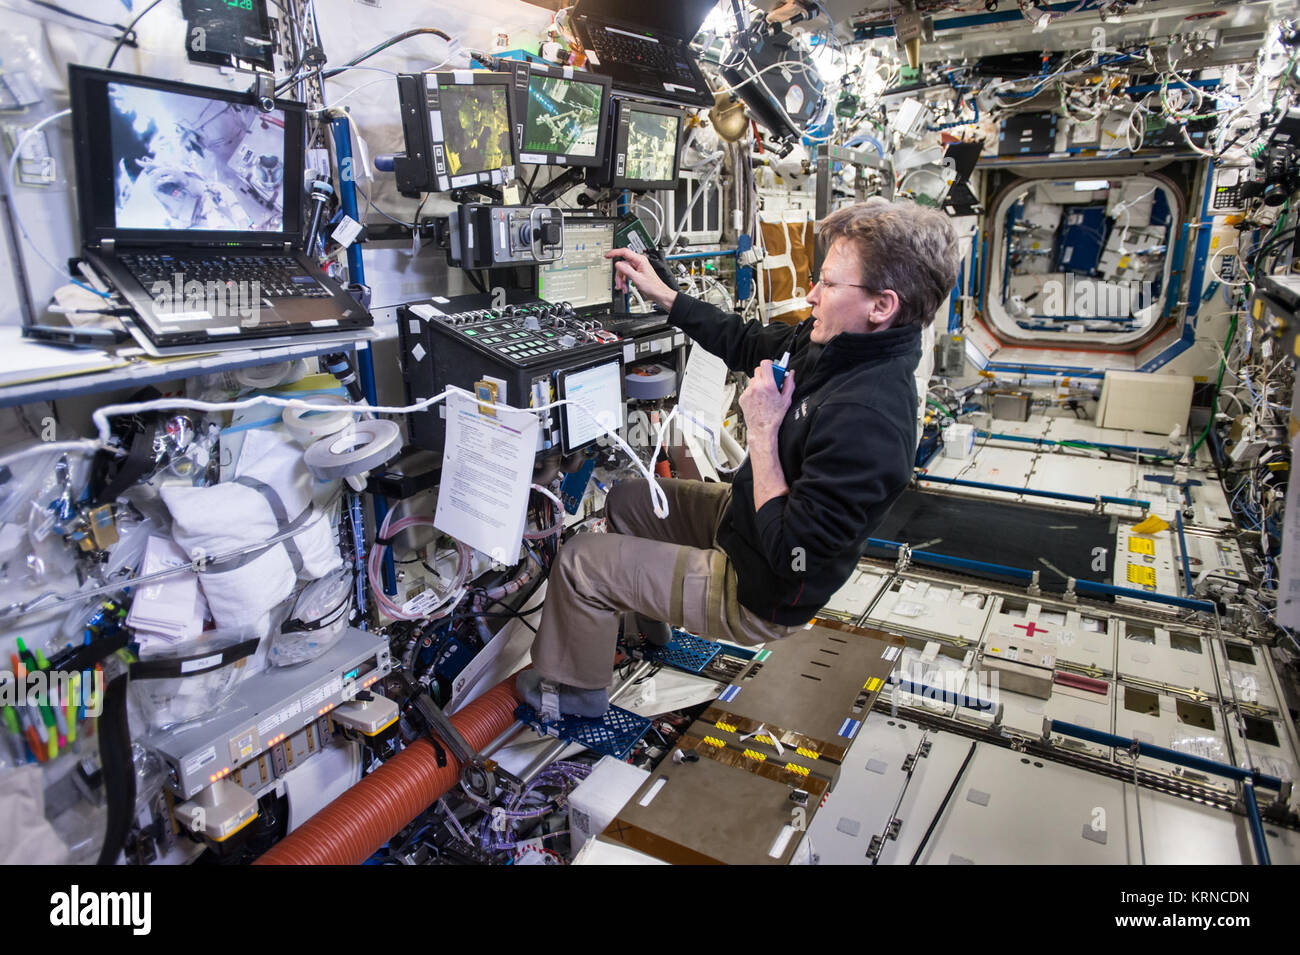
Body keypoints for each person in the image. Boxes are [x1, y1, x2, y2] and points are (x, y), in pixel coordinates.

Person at [518, 198, 961, 719]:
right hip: (744, 524)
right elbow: (749, 341)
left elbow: (788, 550)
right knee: (630, 500)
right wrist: (667, 296)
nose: (812, 295)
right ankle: (646, 633)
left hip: (760, 590)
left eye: (829, 285)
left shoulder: (872, 418)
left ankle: (571, 696)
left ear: (882, 305)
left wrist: (763, 430)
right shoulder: (844, 343)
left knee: (578, 564)